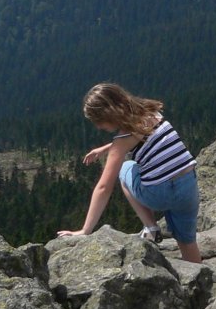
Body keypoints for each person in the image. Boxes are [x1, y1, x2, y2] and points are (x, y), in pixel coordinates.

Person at [60, 83, 202, 263]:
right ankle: (201, 280)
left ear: (108, 114)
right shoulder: (152, 113)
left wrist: (85, 230)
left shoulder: (123, 139)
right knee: (187, 241)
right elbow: (139, 137)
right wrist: (105, 149)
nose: (98, 127)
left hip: (159, 193)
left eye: (98, 121)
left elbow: (103, 187)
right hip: (187, 186)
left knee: (126, 168)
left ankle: (151, 227)